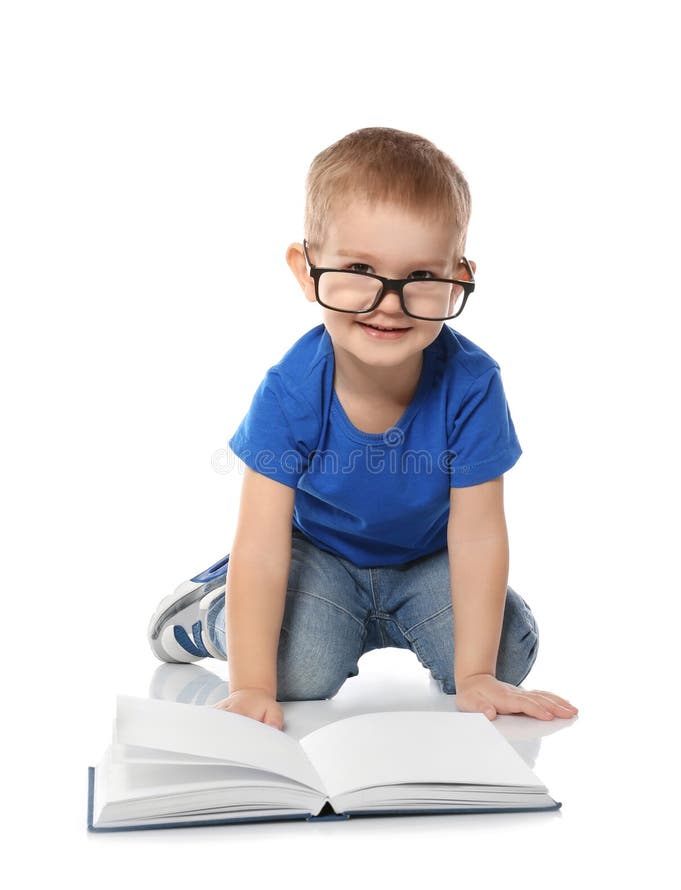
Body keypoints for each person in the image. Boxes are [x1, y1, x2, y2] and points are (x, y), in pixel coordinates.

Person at [147, 126, 578, 731]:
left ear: (459, 276)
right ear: (307, 269)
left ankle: (450, 647)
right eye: (358, 268)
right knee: (294, 674)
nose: (390, 303)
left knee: (506, 653)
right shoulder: (292, 389)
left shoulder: (473, 384)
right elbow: (263, 543)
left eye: (422, 276)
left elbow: (478, 534)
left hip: (427, 560)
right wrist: (249, 686)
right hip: (321, 557)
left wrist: (478, 676)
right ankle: (209, 609)